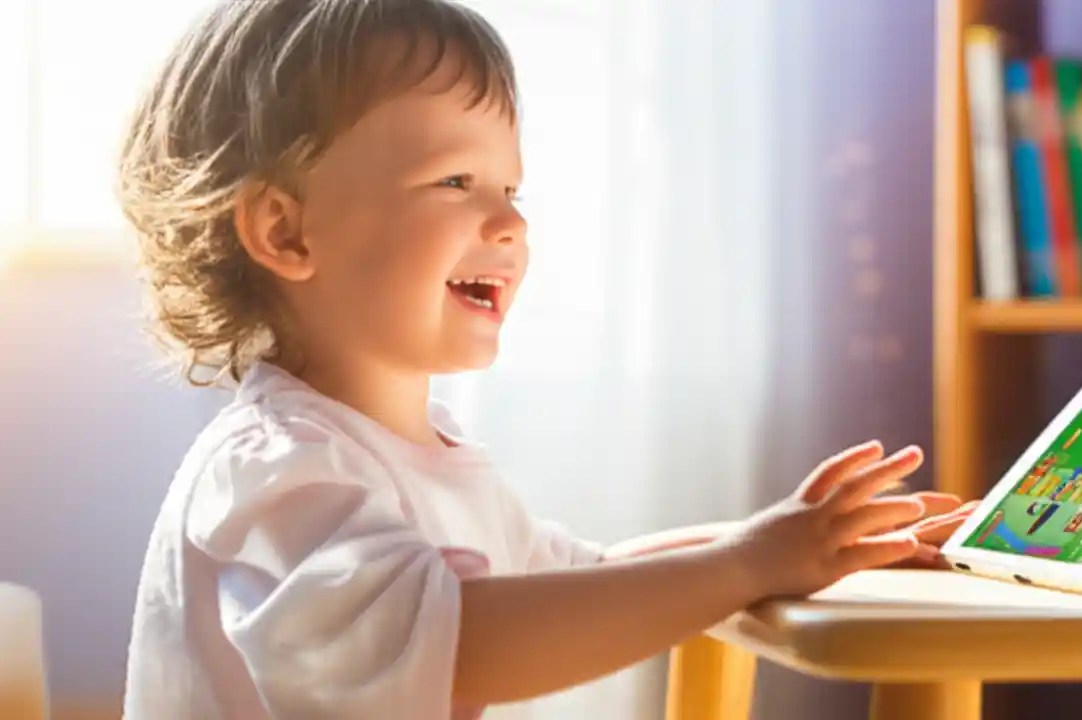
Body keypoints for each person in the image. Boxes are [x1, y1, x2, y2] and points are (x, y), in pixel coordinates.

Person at [116, 1, 974, 717]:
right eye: (455, 181)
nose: (511, 224)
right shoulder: (276, 471)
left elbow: (587, 579)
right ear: (285, 230)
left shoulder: (418, 453)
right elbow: (461, 642)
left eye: (510, 189)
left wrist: (802, 540)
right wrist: (747, 563)